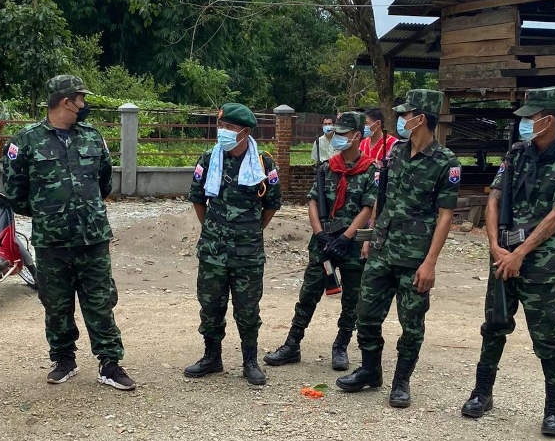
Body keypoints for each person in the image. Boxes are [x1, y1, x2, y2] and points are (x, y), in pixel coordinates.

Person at [460, 86, 555, 438]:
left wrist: (520, 253)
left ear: (551, 121)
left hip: (539, 262)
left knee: (547, 337)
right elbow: (493, 199)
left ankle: (554, 409)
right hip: (502, 255)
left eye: (533, 118)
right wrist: (495, 246)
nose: (527, 124)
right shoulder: (516, 154)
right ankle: (482, 394)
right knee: (494, 326)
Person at [3, 75, 134, 390]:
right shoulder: (25, 141)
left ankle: (110, 364)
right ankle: (64, 359)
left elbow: (104, 182)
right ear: (65, 101)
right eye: (81, 98)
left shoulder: (92, 137)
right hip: (52, 241)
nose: (84, 104)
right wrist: (51, 213)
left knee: (101, 301)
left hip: (92, 238)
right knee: (56, 303)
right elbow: (15, 192)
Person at [337, 89, 459, 409]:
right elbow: (382, 196)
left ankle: (401, 381)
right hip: (382, 249)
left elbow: (446, 215)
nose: (402, 120)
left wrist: (430, 262)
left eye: (407, 115)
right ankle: (370, 370)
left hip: (415, 256)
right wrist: (370, 238)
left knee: (412, 324)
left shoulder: (446, 162)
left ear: (422, 118)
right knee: (366, 314)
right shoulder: (394, 153)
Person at [264, 111, 375, 371]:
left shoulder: (371, 170)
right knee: (309, 293)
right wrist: (319, 233)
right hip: (324, 243)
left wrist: (347, 238)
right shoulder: (327, 168)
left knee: (351, 299)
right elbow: (313, 201)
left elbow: (369, 207)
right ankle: (292, 344)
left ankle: (341, 346)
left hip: (352, 244)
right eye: (336, 132)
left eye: (343, 133)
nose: (337, 137)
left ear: (357, 136)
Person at [184, 103, 282, 386]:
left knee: (248, 309)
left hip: (248, 252)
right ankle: (211, 357)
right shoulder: (209, 158)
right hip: (213, 249)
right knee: (211, 306)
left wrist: (250, 229)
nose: (223, 132)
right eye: (221, 126)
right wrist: (213, 229)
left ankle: (250, 361)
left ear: (245, 132)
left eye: (229, 128)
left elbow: (271, 204)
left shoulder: (263, 164)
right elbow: (198, 199)